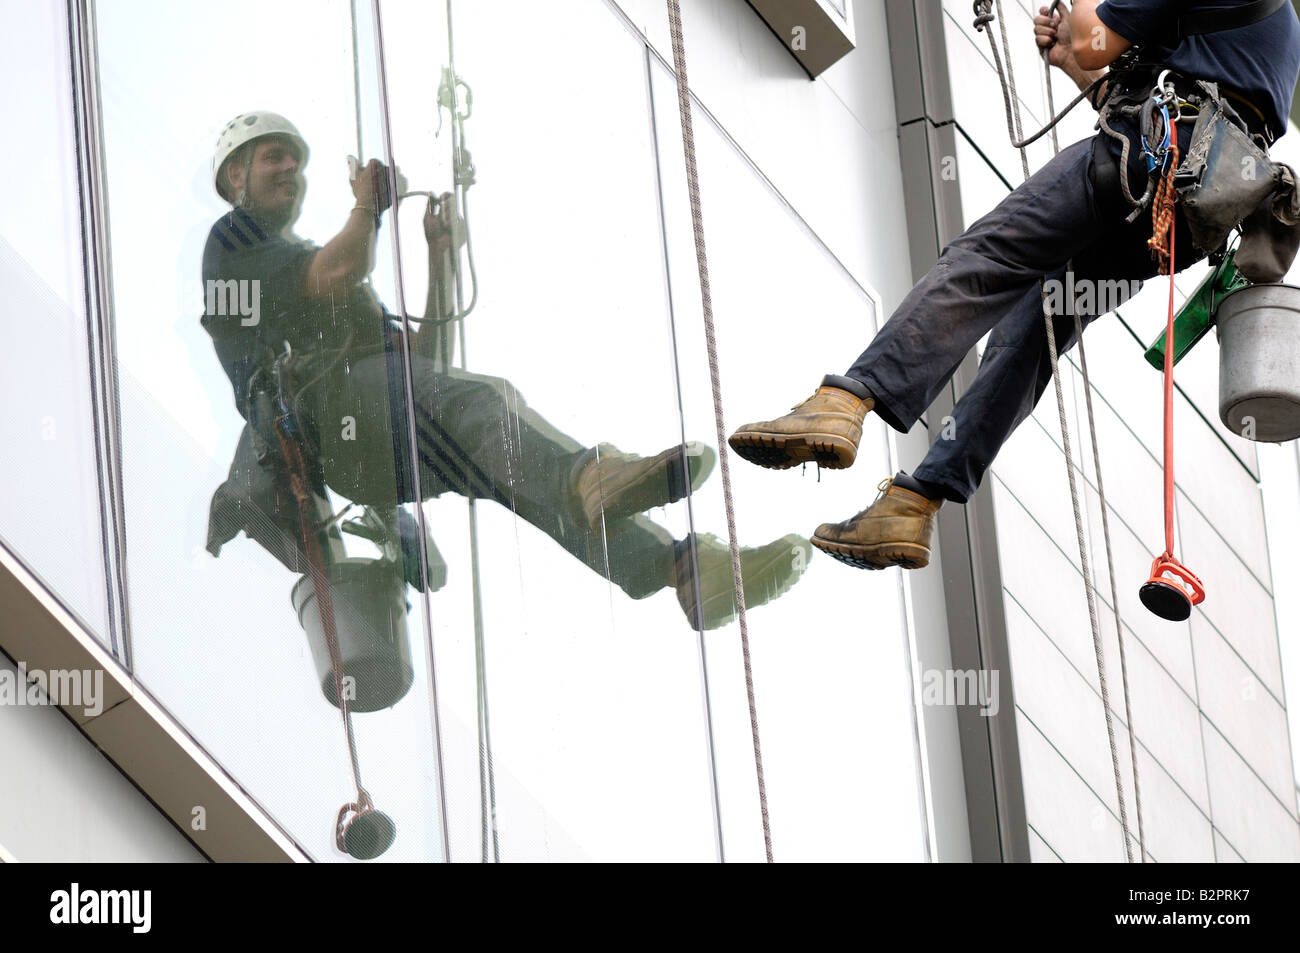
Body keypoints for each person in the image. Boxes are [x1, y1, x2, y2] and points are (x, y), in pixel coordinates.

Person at [727, 0, 1300, 571]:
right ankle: (912, 504)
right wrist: (1075, 64)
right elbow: (1128, 77)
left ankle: (846, 402)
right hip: (1180, 215)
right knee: (1030, 336)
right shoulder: (1273, 24)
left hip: (1141, 161)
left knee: (988, 257)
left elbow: (1097, 40)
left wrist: (1080, 27)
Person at [201, 111, 810, 628]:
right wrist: (367, 208)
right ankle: (589, 478)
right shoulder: (233, 243)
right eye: (274, 158)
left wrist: (442, 256)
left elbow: (424, 365)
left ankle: (682, 568)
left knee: (513, 469)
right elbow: (340, 272)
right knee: (487, 407)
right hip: (322, 417)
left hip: (365, 434)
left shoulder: (304, 265)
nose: (291, 172)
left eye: (296, 163)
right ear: (236, 175)